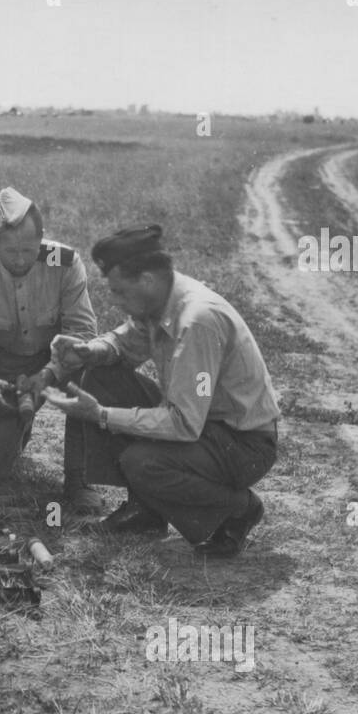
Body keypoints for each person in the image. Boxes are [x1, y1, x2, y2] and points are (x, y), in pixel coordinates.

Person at [42, 224, 281, 557]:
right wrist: (90, 351)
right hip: (206, 427)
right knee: (99, 375)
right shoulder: (160, 300)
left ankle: (237, 510)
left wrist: (101, 415)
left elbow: (183, 424)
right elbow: (125, 342)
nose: (117, 301)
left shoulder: (196, 321)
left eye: (120, 292)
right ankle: (146, 512)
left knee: (142, 462)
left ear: (147, 281)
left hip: (243, 445)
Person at [0, 186, 100, 508]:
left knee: (93, 364)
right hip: (2, 369)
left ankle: (79, 478)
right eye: (10, 251)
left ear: (41, 238)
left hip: (57, 360)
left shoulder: (65, 263)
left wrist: (47, 375)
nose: (20, 260)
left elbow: (82, 332)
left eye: (28, 250)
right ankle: (15, 424)